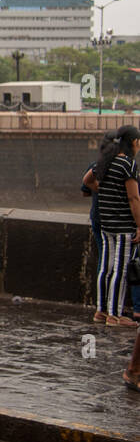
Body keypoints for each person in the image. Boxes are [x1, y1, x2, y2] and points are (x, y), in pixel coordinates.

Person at [83, 126, 140, 326]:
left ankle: (101, 310)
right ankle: (115, 315)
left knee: (106, 268)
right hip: (124, 225)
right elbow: (134, 198)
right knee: (121, 269)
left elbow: (87, 181)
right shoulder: (127, 165)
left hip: (106, 223)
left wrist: (103, 190)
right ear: (133, 142)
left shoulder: (104, 161)